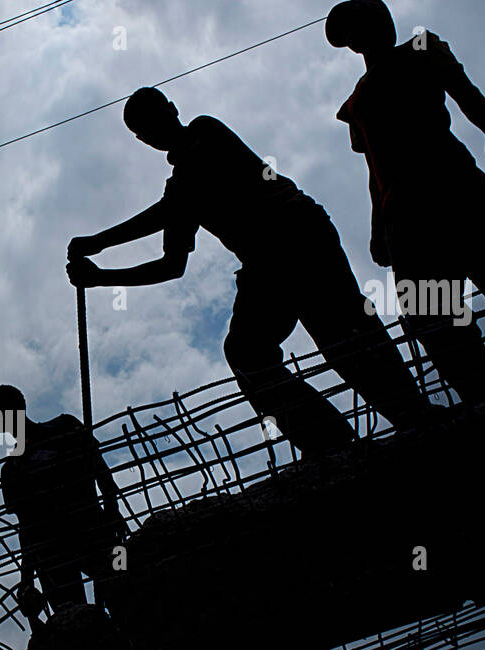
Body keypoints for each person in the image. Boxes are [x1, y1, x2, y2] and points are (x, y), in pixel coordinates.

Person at [67, 87, 431, 454]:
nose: (151, 131)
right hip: (265, 262)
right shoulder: (178, 190)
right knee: (247, 351)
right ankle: (328, 439)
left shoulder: (205, 133)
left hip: (296, 234)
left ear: (172, 109)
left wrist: (100, 242)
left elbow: (170, 209)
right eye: (143, 129)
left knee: (342, 329)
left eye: (153, 118)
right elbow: (172, 266)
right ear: (142, 140)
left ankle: (412, 415)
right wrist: (100, 278)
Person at [326, 0, 485, 402]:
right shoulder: (358, 100)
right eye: (359, 28)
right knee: (433, 319)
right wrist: (378, 227)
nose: (376, 28)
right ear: (353, 42)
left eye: (376, 19)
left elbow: (464, 91)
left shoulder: (422, 49)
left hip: (456, 185)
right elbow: (373, 168)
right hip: (406, 217)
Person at [0, 384, 125, 618]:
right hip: (53, 554)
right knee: (73, 620)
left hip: (94, 530)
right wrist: (26, 580)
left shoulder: (66, 427)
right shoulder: (12, 470)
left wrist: (112, 513)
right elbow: (26, 528)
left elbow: (102, 473)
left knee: (126, 586)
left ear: (19, 408)